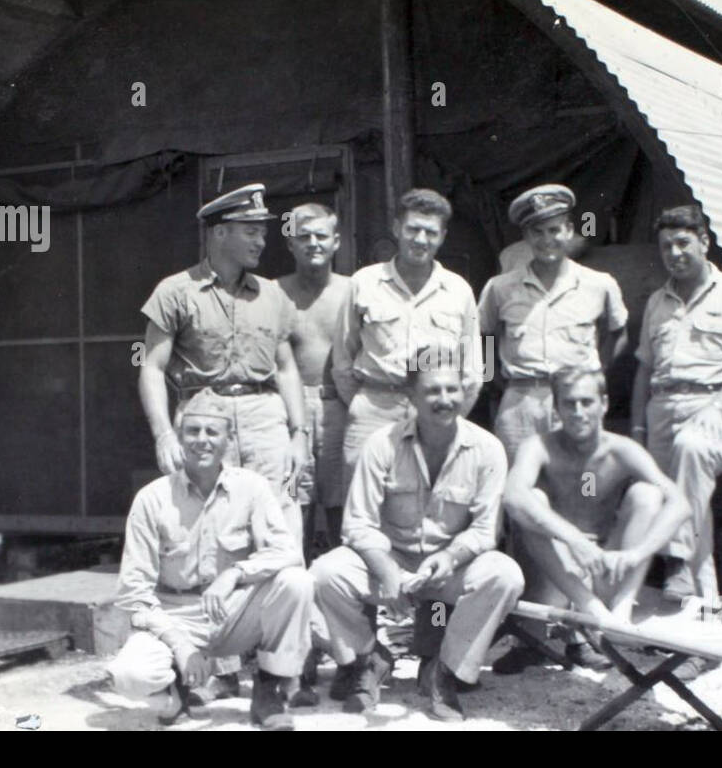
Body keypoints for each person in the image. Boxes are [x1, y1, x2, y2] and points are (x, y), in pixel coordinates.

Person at [310, 359, 523, 721]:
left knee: (505, 575)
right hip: (390, 562)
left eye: (451, 389)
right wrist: (387, 570)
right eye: (432, 390)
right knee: (324, 572)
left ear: (465, 392)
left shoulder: (488, 449)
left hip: (449, 568)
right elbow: (357, 524)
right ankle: (368, 659)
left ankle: (444, 671)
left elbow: (486, 530)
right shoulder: (382, 444)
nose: (444, 399)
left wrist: (452, 557)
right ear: (411, 396)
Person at [106, 389, 315, 731]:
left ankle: (268, 688)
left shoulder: (253, 487)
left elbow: (287, 550)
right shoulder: (152, 498)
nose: (201, 441)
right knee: (130, 676)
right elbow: (132, 594)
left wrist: (235, 572)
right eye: (192, 431)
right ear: (178, 437)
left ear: (228, 441)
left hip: (233, 612)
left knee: (297, 582)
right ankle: (175, 693)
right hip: (174, 615)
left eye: (212, 432)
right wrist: (179, 643)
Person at [138, 182, 307, 537]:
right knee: (207, 518)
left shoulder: (272, 294)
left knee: (278, 516)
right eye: (250, 232)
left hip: (265, 418)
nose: (261, 241)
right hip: (203, 415)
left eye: (262, 232)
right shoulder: (175, 291)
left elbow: (287, 368)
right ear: (219, 232)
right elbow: (151, 368)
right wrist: (164, 435)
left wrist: (299, 433)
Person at [495, 367, 691, 674]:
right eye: (569, 403)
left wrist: (636, 554)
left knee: (648, 494)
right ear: (555, 408)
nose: (578, 412)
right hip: (554, 575)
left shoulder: (622, 449)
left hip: (603, 568)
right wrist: (573, 538)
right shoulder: (538, 446)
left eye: (587, 402)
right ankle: (589, 616)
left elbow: (680, 503)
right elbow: (513, 497)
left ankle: (620, 612)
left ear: (604, 404)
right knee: (533, 500)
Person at [630, 204, 722, 607]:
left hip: (720, 409)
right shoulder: (657, 302)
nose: (674, 253)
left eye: (682, 243)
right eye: (665, 246)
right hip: (663, 409)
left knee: (691, 451)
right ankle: (702, 620)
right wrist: (638, 431)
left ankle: (674, 557)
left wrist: (718, 406)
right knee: (687, 504)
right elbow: (644, 370)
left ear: (704, 243)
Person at [331, 188, 483, 488]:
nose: (421, 239)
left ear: (442, 236)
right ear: (397, 228)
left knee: (429, 497)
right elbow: (342, 358)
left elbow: (478, 366)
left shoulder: (460, 289)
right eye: (413, 229)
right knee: (363, 498)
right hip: (374, 407)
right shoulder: (364, 282)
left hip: (435, 410)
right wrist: (365, 400)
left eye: (431, 232)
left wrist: (449, 413)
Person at [478, 183, 628, 459]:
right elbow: (482, 336)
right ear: (525, 236)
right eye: (537, 231)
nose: (546, 240)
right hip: (520, 402)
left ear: (569, 231)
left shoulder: (599, 284)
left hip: (576, 401)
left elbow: (618, 332)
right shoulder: (500, 288)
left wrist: (596, 375)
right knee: (516, 487)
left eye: (554, 230)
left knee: (582, 485)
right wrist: (497, 382)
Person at [278, 202, 351, 556]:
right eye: (302, 236)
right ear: (290, 244)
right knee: (295, 500)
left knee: (343, 502)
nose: (313, 243)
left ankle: (346, 598)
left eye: (321, 235)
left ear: (336, 242)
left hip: (341, 404)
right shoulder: (274, 293)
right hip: (290, 410)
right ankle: (298, 588)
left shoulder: (354, 291)